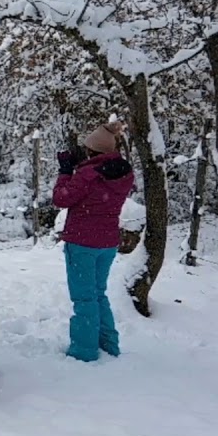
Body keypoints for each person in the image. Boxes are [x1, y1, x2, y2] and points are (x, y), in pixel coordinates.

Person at [53, 121, 136, 362]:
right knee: (99, 294)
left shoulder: (88, 175)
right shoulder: (124, 174)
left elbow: (61, 198)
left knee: (84, 298)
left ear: (92, 151)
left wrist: (66, 172)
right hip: (108, 242)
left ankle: (84, 351)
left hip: (82, 242)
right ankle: (109, 344)